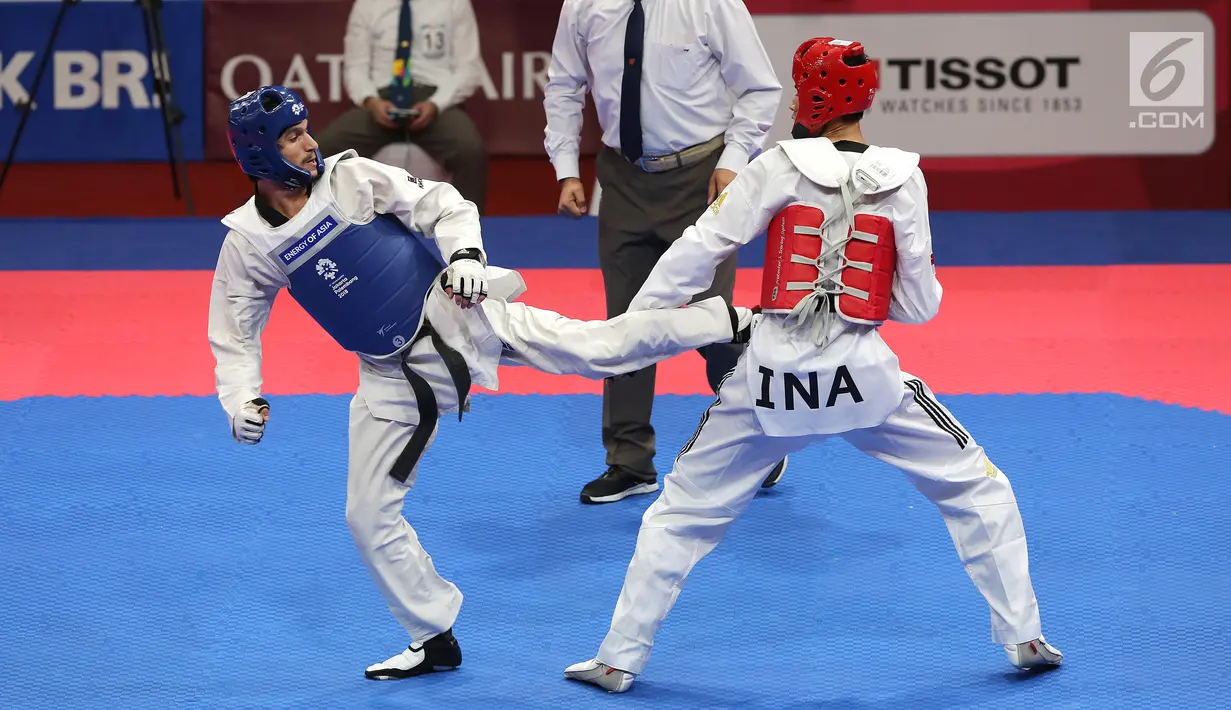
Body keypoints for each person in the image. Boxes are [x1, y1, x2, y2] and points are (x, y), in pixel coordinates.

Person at [563, 37, 1063, 694]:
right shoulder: (903, 175)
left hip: (768, 381)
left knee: (680, 511)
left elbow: (699, 249)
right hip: (866, 380)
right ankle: (1022, 633)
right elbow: (918, 308)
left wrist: (636, 321)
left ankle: (616, 658)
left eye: (801, 90)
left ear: (818, 98)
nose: (794, 101)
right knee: (979, 489)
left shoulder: (775, 167)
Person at [211, 85, 756, 680]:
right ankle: (432, 634)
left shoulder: (350, 177)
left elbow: (443, 204)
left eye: (306, 128)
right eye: (293, 136)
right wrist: (240, 398)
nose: (311, 142)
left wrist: (466, 256)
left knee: (601, 349)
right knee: (366, 516)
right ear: (260, 153)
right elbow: (235, 330)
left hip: (459, 313)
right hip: (389, 376)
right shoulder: (249, 241)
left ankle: (727, 320)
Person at [543, 0, 788, 504]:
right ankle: (629, 461)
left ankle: (756, 439)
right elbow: (565, 85)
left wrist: (736, 158)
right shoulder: (584, 4)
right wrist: (567, 167)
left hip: (701, 181)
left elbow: (761, 88)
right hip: (622, 180)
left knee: (713, 323)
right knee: (626, 325)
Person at [315, 0, 489, 213]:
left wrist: (436, 104)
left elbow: (469, 68)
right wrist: (371, 101)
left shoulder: (454, 3)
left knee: (470, 150)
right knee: (323, 149)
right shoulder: (367, 4)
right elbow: (355, 67)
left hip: (435, 99)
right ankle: (318, 228)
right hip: (381, 100)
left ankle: (467, 230)